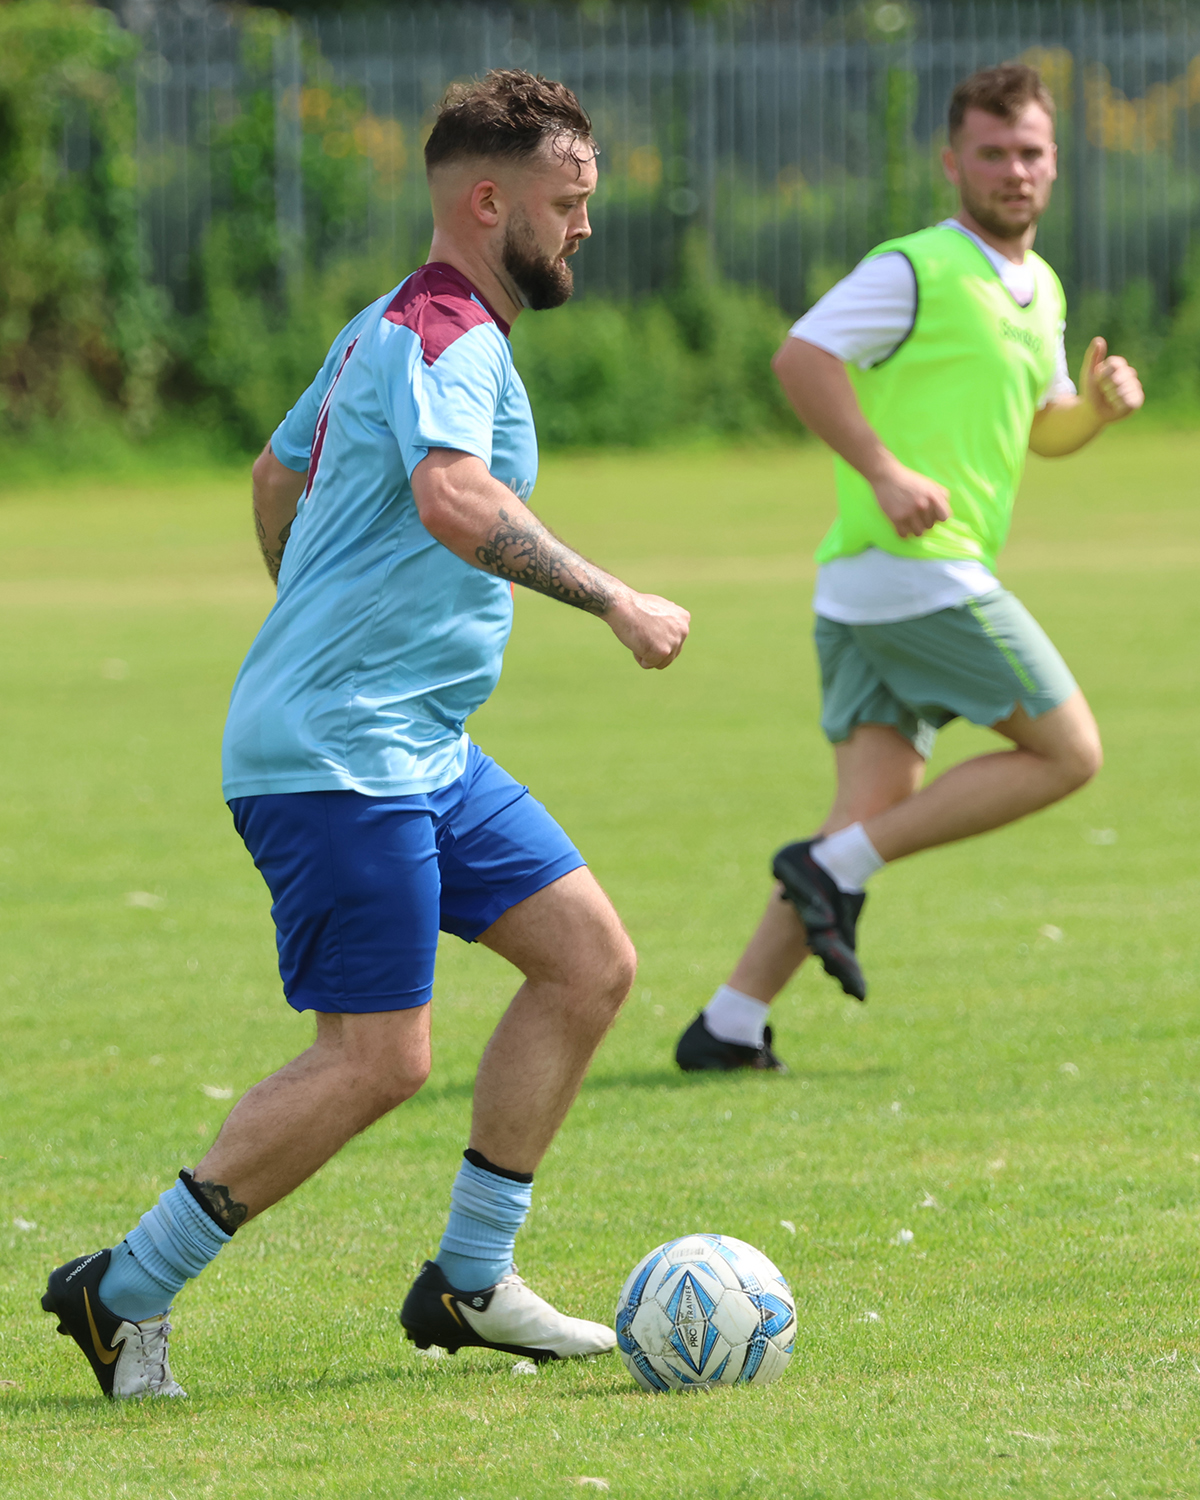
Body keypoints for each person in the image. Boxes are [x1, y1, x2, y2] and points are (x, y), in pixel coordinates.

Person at [43, 69, 690, 1398]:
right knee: (379, 1059)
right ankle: (119, 1292)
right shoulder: (444, 336)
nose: (583, 229)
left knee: (586, 963)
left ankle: (470, 1279)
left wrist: (319, 603)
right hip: (341, 757)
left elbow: (280, 473)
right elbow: (455, 499)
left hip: (417, 747)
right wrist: (614, 597)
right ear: (488, 197)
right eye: (568, 205)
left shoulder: (387, 327)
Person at [676, 62, 1142, 1075]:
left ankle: (729, 1022)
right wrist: (883, 470)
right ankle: (832, 868)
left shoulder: (1040, 285)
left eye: (1030, 153)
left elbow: (1043, 431)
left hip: (868, 587)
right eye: (992, 152)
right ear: (953, 161)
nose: (1013, 171)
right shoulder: (917, 267)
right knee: (1070, 753)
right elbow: (801, 358)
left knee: (866, 815)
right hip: (915, 571)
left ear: (1054, 163)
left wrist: (1095, 411)